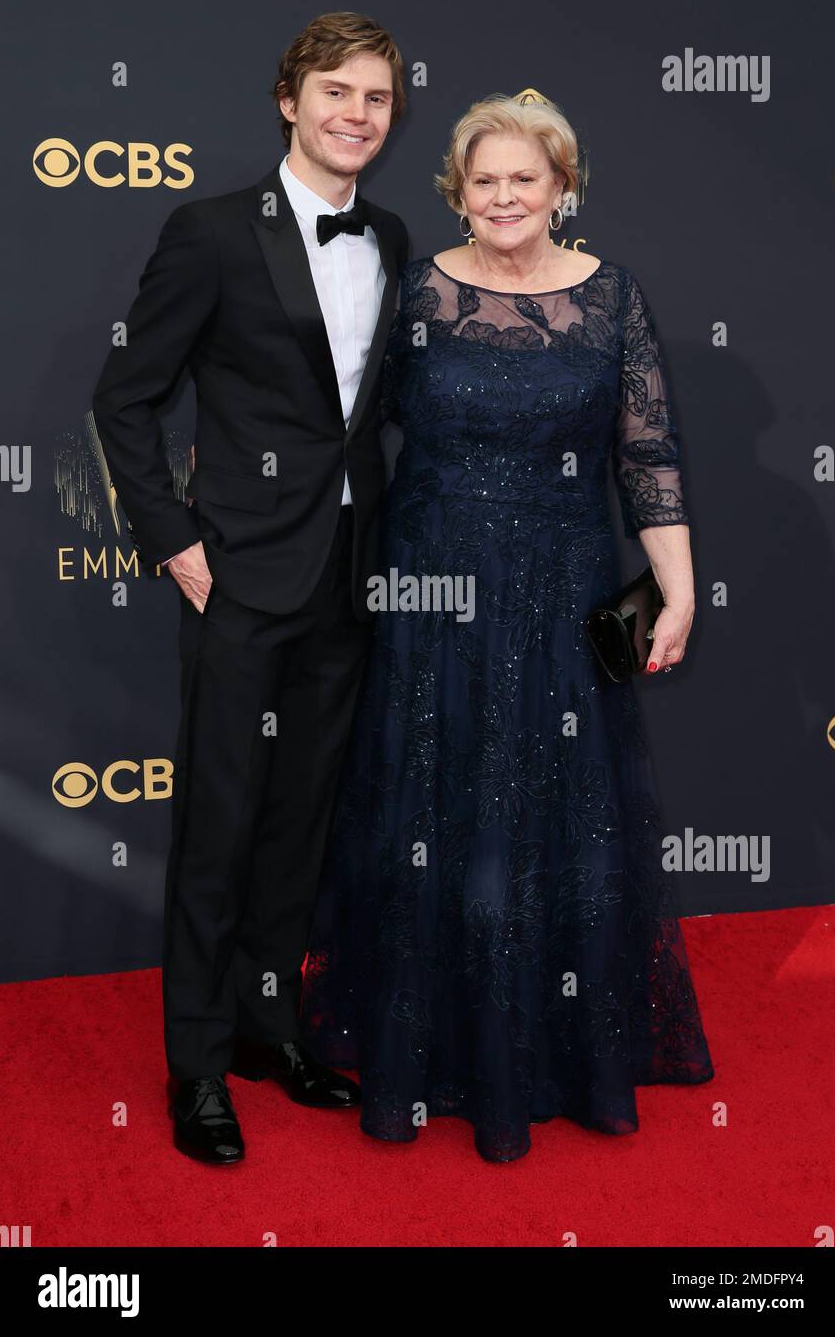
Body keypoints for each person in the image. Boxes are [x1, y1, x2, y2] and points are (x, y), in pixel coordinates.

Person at [300, 91, 714, 1163]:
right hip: (429, 590)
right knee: (432, 808)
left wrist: (676, 588)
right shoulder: (419, 292)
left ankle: (553, 1043)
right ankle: (427, 1041)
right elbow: (339, 424)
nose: (501, 197)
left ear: (560, 188)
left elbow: (645, 456)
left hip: (562, 590)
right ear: (456, 192)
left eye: (522, 178)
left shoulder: (611, 296)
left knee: (547, 815)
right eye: (481, 181)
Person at [92, 12, 410, 1164]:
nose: (355, 115)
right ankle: (195, 1068)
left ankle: (269, 1032)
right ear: (289, 100)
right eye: (335, 93)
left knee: (300, 820)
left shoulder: (393, 236)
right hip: (235, 577)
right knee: (220, 823)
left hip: (345, 579)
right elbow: (125, 396)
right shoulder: (212, 231)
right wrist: (175, 539)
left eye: (375, 99)